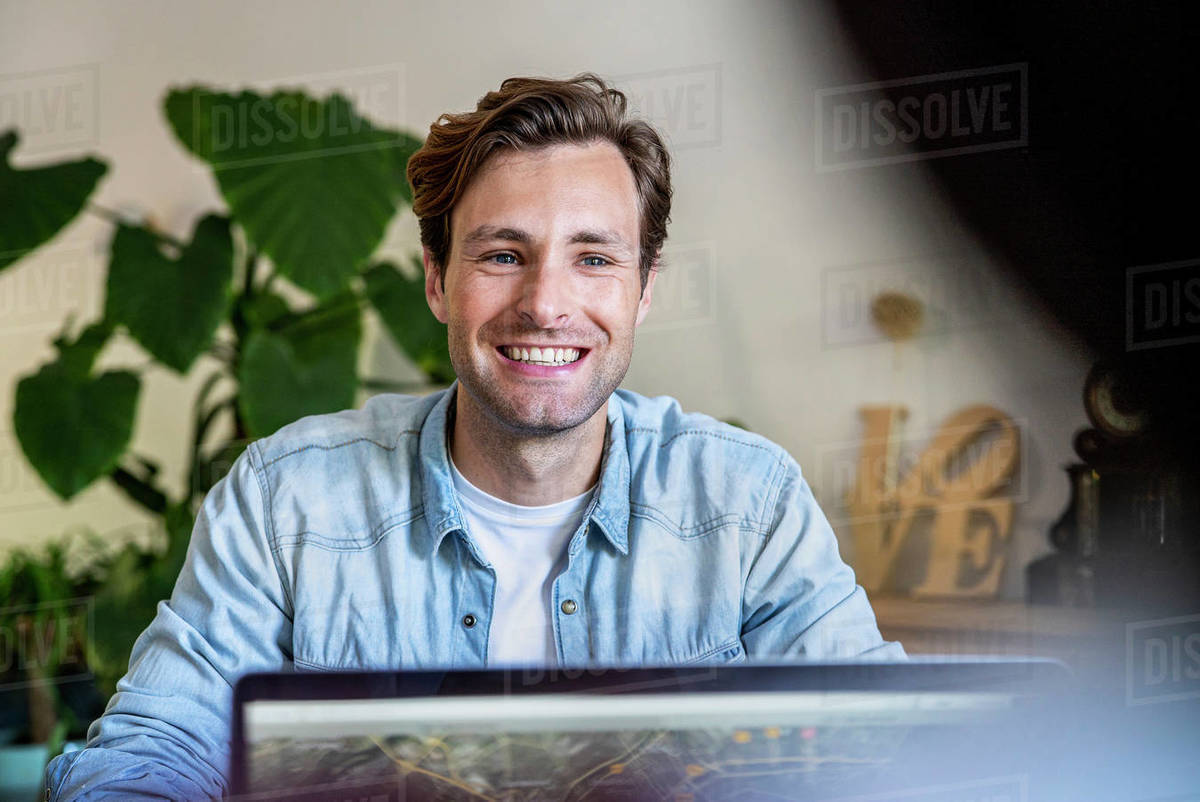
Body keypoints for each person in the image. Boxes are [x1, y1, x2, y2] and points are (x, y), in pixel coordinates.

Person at [44, 73, 904, 800]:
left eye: (594, 258)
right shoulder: (283, 500)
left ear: (642, 290)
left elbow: (887, 756)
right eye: (502, 254)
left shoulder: (748, 503)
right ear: (435, 279)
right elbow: (152, 751)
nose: (545, 302)